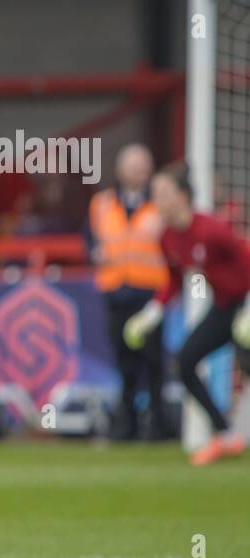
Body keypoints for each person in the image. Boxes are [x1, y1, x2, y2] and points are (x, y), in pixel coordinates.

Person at [124, 164, 250, 465]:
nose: (156, 199)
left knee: (246, 360)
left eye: (162, 192)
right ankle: (225, 435)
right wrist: (151, 312)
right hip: (225, 307)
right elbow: (173, 281)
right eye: (154, 193)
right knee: (185, 363)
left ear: (182, 196)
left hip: (246, 302)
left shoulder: (213, 230)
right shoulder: (167, 237)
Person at [85, 144, 172, 441]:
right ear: (121, 169)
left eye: (146, 166)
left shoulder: (159, 204)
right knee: (124, 364)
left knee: (154, 363)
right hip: (116, 293)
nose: (142, 172)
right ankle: (126, 426)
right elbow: (90, 240)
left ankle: (159, 426)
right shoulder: (102, 203)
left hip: (150, 296)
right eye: (136, 166)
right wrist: (94, 253)